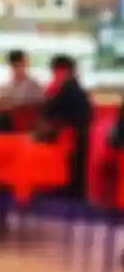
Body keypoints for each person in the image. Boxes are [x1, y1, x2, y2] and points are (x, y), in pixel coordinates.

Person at [41, 54, 92, 198]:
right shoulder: (76, 89)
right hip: (78, 139)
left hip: (69, 140)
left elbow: (49, 112)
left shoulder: (68, 90)